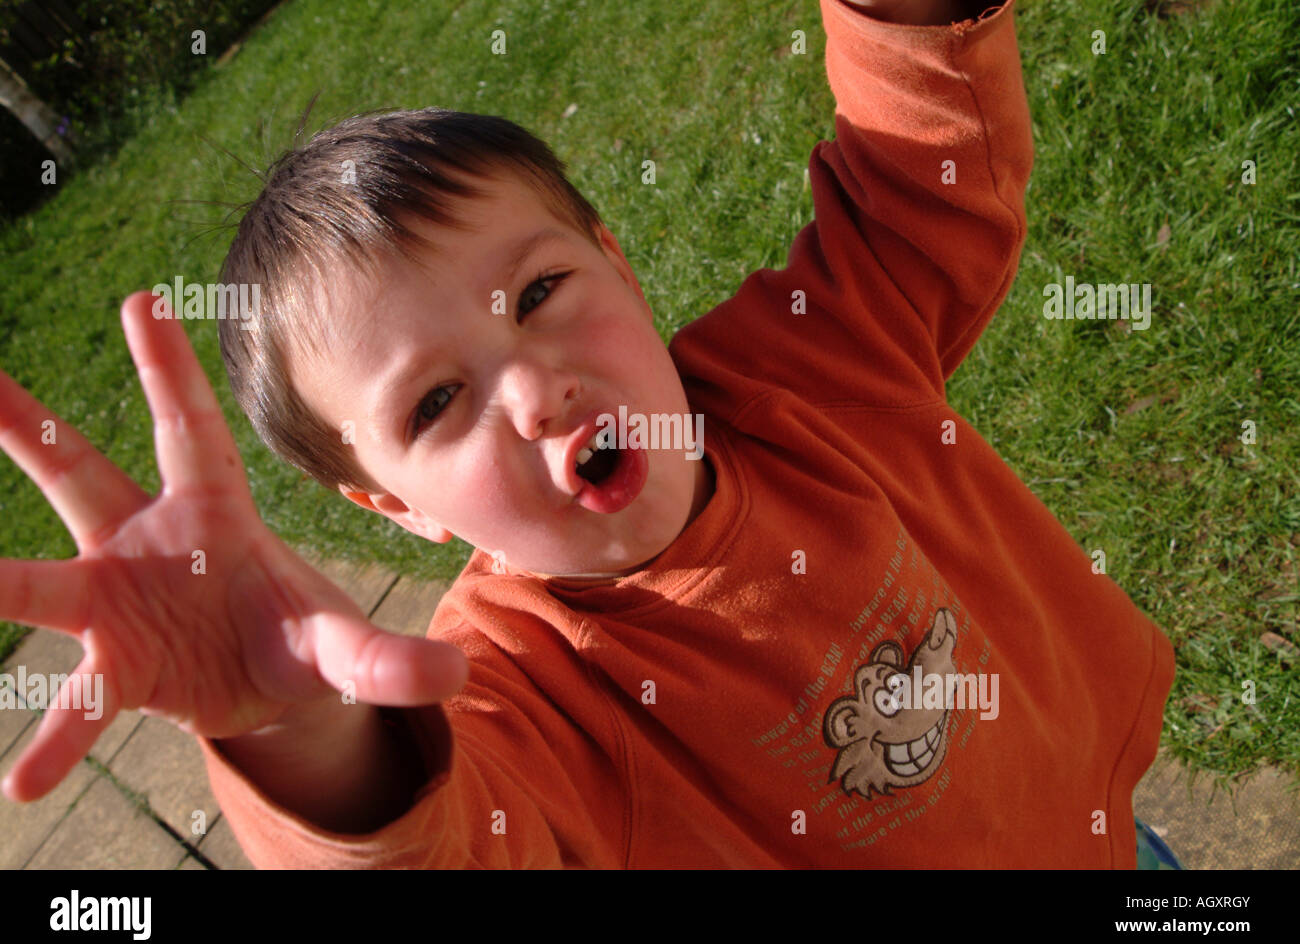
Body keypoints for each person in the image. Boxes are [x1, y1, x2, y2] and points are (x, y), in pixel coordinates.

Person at [0, 0, 1177, 867]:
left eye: (537, 294)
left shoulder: (808, 365)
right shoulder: (521, 687)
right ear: (393, 507)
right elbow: (463, 845)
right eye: (435, 404)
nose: (533, 387)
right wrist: (297, 732)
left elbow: (922, 192)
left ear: (616, 261)